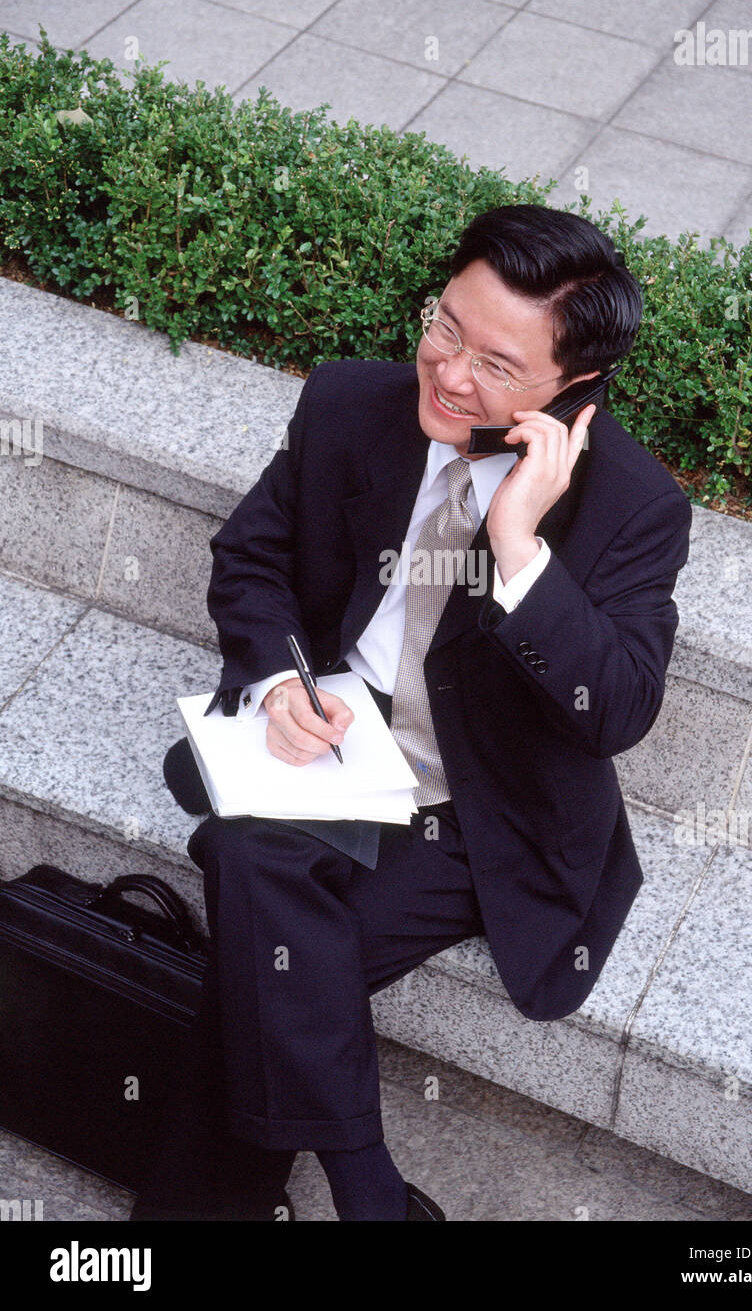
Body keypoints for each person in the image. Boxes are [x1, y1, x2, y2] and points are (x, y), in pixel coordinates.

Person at [131, 203, 692, 1223]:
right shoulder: (350, 404)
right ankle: (371, 1196)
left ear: (571, 388)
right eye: (443, 327)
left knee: (251, 893)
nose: (447, 372)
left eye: (494, 365)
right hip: (331, 755)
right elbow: (249, 559)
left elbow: (612, 709)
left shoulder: (629, 505)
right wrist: (278, 683)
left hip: (474, 818)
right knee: (266, 905)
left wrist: (519, 546)